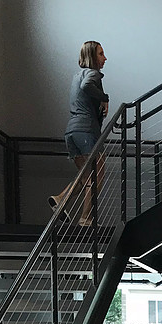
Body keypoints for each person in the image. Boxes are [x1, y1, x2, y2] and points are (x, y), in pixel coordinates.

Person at [50, 41, 109, 225]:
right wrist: (104, 98)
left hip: (72, 132)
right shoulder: (93, 74)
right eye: (101, 54)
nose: (105, 58)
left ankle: (60, 199)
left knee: (86, 177)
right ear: (92, 56)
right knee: (97, 173)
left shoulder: (77, 75)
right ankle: (86, 218)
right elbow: (87, 87)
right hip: (85, 130)